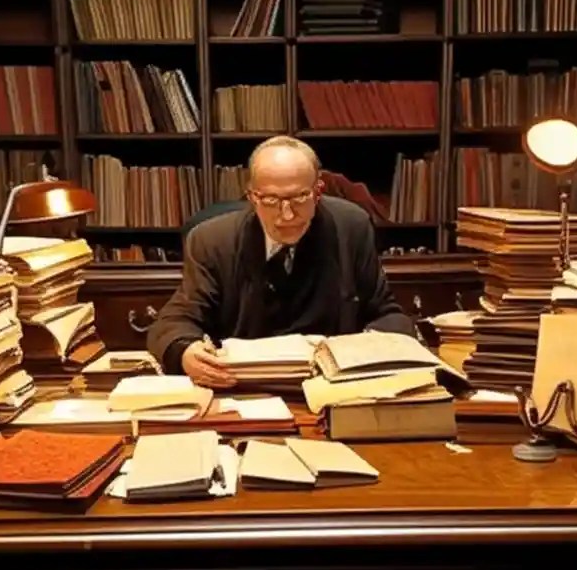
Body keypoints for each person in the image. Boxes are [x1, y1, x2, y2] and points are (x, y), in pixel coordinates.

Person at [147, 135, 415, 388]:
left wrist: (370, 346)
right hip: (243, 391)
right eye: (271, 200)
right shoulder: (212, 240)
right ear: (252, 197)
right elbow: (175, 321)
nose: (286, 215)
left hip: (330, 388)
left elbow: (387, 313)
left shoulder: (351, 227)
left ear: (318, 191)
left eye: (299, 198)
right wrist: (185, 352)